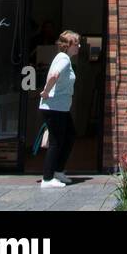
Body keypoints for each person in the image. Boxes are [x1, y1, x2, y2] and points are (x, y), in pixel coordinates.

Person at [39, 30, 81, 188]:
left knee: (69, 136)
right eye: (76, 44)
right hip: (54, 108)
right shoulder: (63, 59)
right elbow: (54, 75)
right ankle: (47, 178)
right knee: (56, 142)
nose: (78, 47)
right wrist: (46, 91)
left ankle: (57, 171)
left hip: (60, 108)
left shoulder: (63, 58)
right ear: (68, 46)